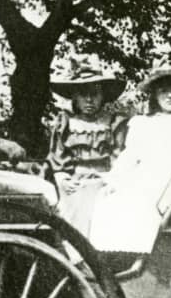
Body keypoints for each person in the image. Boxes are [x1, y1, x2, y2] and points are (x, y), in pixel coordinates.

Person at [89, 65, 171, 253]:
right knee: (108, 199)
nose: (170, 96)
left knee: (143, 202)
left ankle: (138, 254)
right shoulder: (142, 123)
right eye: (164, 90)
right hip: (142, 176)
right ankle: (111, 255)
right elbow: (130, 157)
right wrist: (113, 181)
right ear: (155, 94)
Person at [46, 67, 129, 234]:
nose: (89, 100)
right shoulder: (66, 123)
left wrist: (111, 179)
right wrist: (62, 178)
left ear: (103, 96)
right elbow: (57, 157)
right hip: (75, 183)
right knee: (72, 218)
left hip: (106, 182)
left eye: (95, 94)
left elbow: (121, 156)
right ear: (75, 98)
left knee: (108, 218)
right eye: (83, 95)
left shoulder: (114, 123)